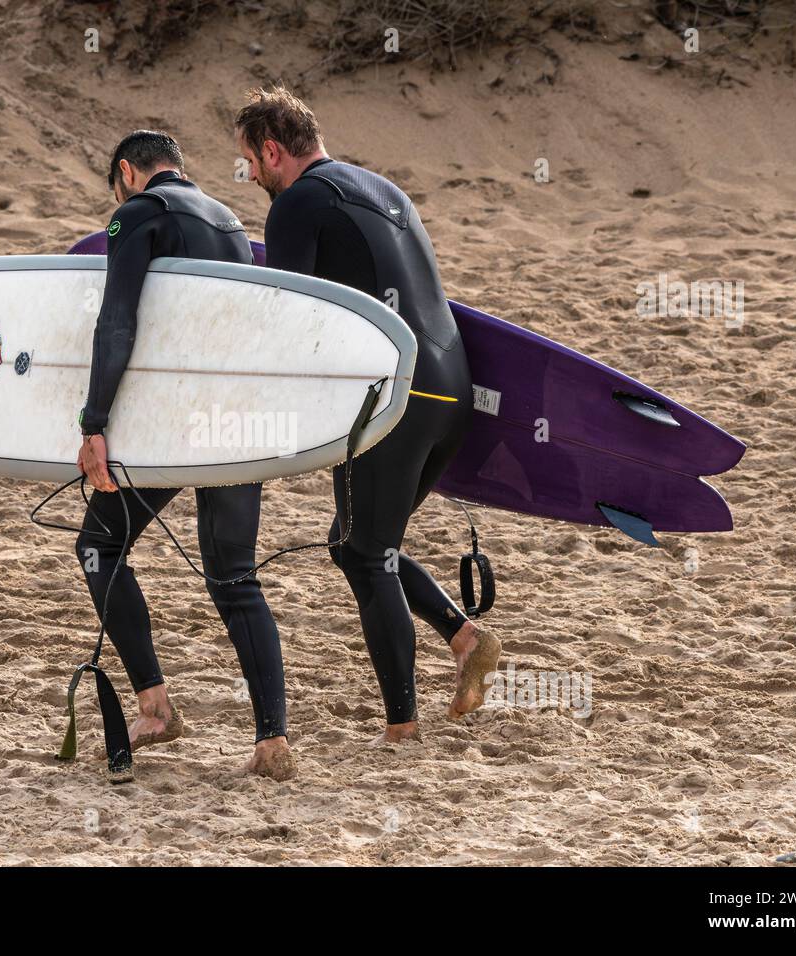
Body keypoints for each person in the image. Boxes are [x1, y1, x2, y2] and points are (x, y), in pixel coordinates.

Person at [234, 88, 503, 743]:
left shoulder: (297, 203)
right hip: (451, 388)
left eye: (247, 163)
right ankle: (465, 639)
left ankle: (402, 729)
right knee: (354, 545)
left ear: (273, 150)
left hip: (392, 395)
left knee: (370, 553)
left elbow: (290, 315)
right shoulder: (385, 190)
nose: (248, 178)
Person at [74, 130, 294, 780]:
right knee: (234, 576)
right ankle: (271, 741)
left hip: (180, 424)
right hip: (238, 420)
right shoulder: (226, 222)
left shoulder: (138, 215)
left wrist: (96, 423)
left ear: (125, 173)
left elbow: (117, 319)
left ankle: (156, 706)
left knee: (98, 546)